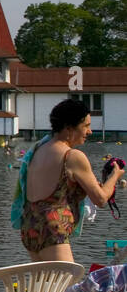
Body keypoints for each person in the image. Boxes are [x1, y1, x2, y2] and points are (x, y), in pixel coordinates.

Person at [17, 98, 123, 262]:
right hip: (52, 229)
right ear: (68, 128)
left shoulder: (38, 149)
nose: (90, 132)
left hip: (29, 225)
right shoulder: (73, 156)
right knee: (67, 285)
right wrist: (115, 175)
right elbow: (101, 199)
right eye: (86, 126)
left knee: (45, 286)